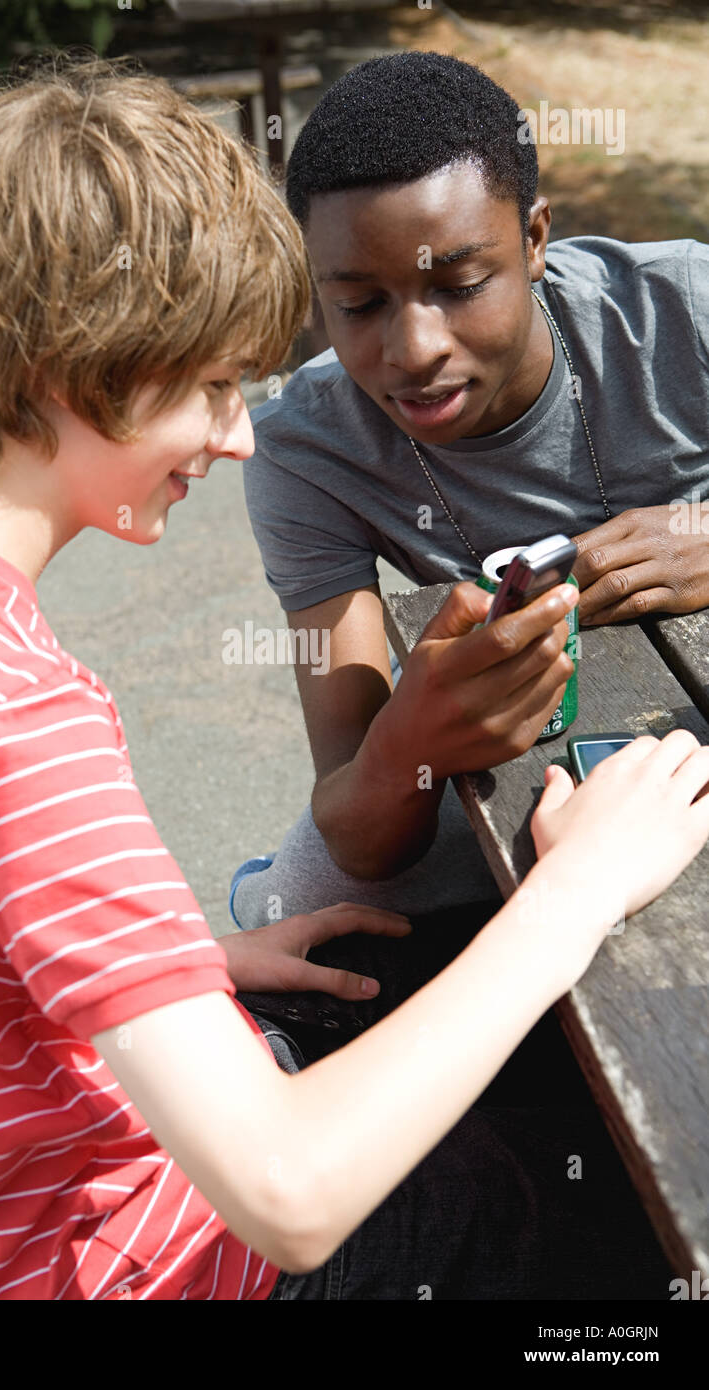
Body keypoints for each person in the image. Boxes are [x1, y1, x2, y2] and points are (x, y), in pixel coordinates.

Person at [0, 52, 707, 1303]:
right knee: (618, 1158)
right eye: (205, 386)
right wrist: (574, 888)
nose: (241, 431)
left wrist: (169, 973)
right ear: (74, 363)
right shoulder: (14, 717)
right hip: (180, 1261)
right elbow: (290, 1197)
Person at [231, 50, 709, 937]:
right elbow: (359, 821)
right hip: (498, 776)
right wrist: (410, 741)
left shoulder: (681, 310)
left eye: (457, 286)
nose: (413, 349)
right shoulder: (303, 452)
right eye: (359, 304)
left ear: (534, 240)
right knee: (305, 899)